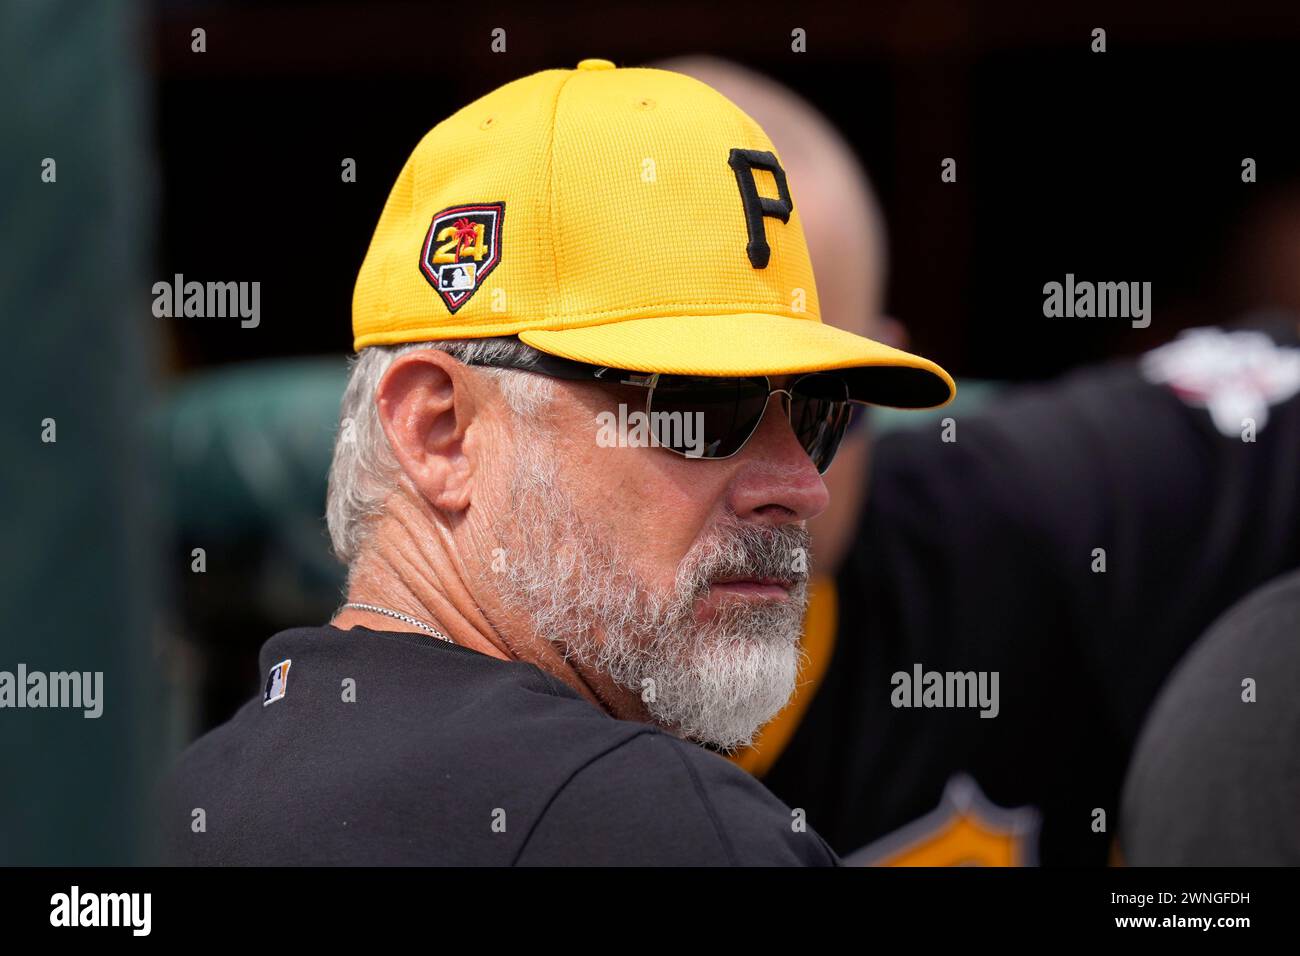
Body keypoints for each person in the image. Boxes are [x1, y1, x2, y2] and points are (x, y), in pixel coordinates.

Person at [160, 59, 955, 865]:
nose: (801, 486)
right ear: (441, 430)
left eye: (821, 414)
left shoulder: (163, 817)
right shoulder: (670, 831)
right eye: (706, 406)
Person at [661, 58, 1300, 865]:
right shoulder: (484, 737)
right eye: (698, 409)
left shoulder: (1035, 519)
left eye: (827, 404)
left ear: (887, 374)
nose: (784, 485)